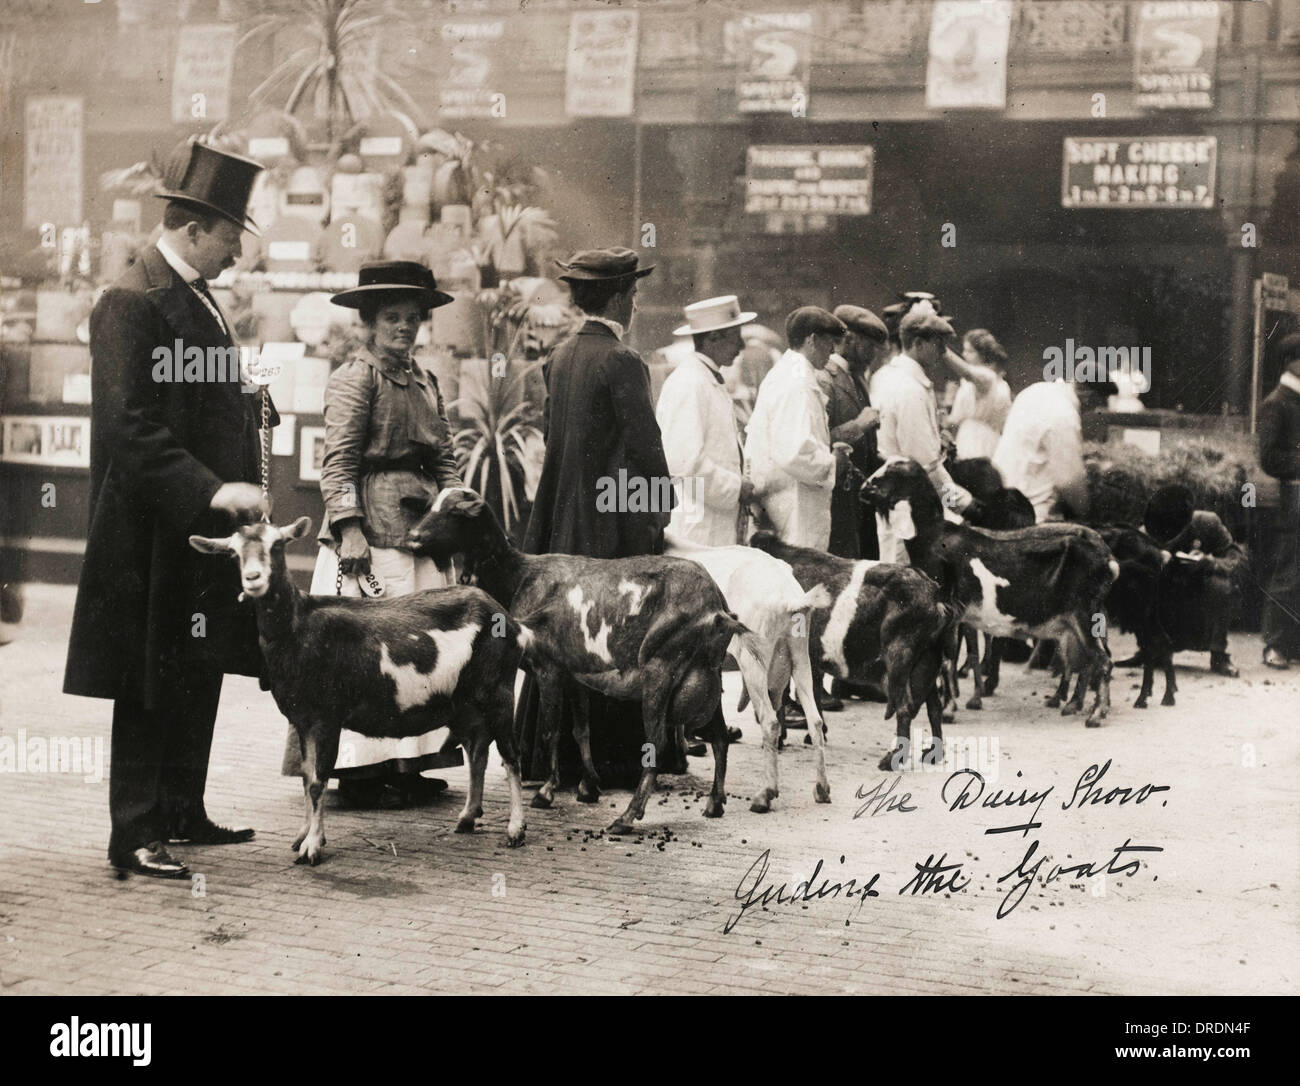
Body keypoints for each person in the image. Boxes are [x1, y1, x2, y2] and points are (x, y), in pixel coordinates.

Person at [64, 139, 269, 878]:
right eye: (231, 236)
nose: (238, 253)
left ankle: (183, 809)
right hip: (152, 529)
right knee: (150, 675)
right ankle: (134, 832)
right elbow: (128, 427)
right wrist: (212, 489)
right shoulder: (130, 300)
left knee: (196, 664)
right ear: (193, 229)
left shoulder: (197, 295)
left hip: (197, 530)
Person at [278, 260, 465, 808]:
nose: (404, 327)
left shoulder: (425, 380)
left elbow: (445, 457)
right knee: (365, 651)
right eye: (391, 317)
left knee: (416, 647)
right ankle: (361, 772)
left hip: (421, 530)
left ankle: (407, 764)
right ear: (369, 321)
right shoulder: (355, 378)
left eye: (413, 317)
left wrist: (456, 510)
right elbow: (337, 463)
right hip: (371, 531)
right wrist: (349, 529)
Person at [515, 246, 677, 789]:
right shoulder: (623, 361)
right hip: (610, 522)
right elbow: (646, 447)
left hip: (561, 518)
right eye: (633, 292)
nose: (635, 302)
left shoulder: (558, 357)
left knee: (561, 632)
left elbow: (553, 438)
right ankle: (613, 760)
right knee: (612, 631)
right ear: (617, 298)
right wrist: (659, 513)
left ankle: (548, 758)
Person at [744, 306, 851, 551]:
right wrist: (834, 463)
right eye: (829, 342)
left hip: (786, 498)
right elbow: (794, 453)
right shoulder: (797, 383)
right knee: (799, 569)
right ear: (812, 340)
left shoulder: (790, 372)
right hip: (792, 503)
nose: (833, 351)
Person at [656, 294, 758, 547]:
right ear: (713, 338)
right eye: (735, 336)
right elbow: (684, 461)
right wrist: (735, 488)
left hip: (714, 517)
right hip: (699, 523)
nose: (741, 346)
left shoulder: (706, 379)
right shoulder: (689, 382)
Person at [875, 303, 973, 562]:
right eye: (938, 344)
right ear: (918, 344)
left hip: (900, 498)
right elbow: (925, 462)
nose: (943, 352)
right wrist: (960, 503)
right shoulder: (910, 390)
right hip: (909, 503)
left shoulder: (890, 376)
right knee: (906, 570)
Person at [1137, 485, 1247, 678]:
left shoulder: (1207, 522)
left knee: (1221, 586)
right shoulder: (1147, 532)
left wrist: (1210, 562)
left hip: (1200, 586)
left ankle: (1218, 654)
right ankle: (1151, 649)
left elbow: (1236, 560)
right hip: (1166, 591)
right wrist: (1156, 561)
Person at [822, 304, 888, 560]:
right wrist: (859, 425)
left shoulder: (857, 377)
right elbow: (820, 438)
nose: (874, 355)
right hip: (838, 498)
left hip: (859, 499)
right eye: (870, 346)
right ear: (849, 339)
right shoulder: (825, 379)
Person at [992, 376, 1090, 523]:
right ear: (1088, 396)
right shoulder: (1064, 414)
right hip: (1031, 507)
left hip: (1001, 490)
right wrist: (1085, 512)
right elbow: (1069, 480)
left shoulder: (1035, 390)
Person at [1259, 336, 1300, 668]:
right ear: (1291, 363)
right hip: (1295, 495)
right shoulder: (1277, 403)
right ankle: (1274, 644)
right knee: (1289, 569)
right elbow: (1269, 458)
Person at [945, 328, 1012, 460]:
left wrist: (943, 350)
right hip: (974, 436)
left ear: (983, 355)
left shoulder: (987, 377)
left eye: (970, 351)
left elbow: (967, 372)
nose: (964, 354)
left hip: (976, 440)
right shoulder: (991, 381)